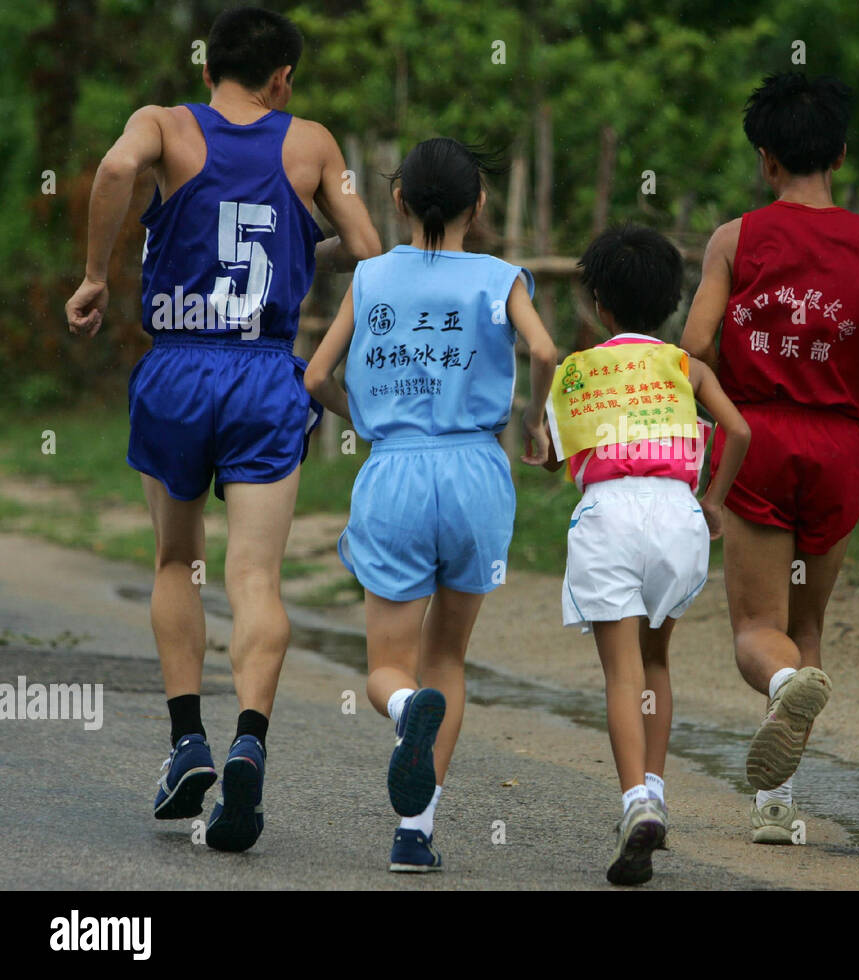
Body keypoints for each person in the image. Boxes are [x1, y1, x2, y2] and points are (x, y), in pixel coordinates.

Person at [63, 6, 382, 853]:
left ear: (209, 69)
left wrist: (96, 275)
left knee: (176, 559)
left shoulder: (161, 123)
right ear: (282, 79)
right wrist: (294, 254)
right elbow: (372, 251)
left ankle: (185, 745)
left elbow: (112, 168)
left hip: (176, 369)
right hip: (265, 372)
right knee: (256, 580)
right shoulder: (311, 142)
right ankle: (248, 740)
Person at [680, 72, 859, 843]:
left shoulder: (734, 239)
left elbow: (693, 347)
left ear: (767, 160)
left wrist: (719, 415)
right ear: (841, 155)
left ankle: (785, 693)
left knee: (757, 634)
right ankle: (777, 804)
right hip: (839, 447)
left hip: (755, 440)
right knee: (806, 623)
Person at [305, 136, 557, 872]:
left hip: (395, 474)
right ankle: (415, 831)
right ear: (479, 208)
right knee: (447, 654)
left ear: (398, 201)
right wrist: (536, 422)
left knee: (390, 667)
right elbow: (544, 352)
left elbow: (318, 373)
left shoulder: (373, 275)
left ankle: (405, 711)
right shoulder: (500, 275)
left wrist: (371, 424)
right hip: (478, 470)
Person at [540, 225, 749, 884]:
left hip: (609, 518)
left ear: (600, 305)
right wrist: (713, 500)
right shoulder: (689, 368)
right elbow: (739, 430)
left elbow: (547, 455)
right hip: (677, 515)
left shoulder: (576, 372)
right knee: (657, 658)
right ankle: (654, 789)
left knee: (620, 673)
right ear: (670, 304)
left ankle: (634, 803)